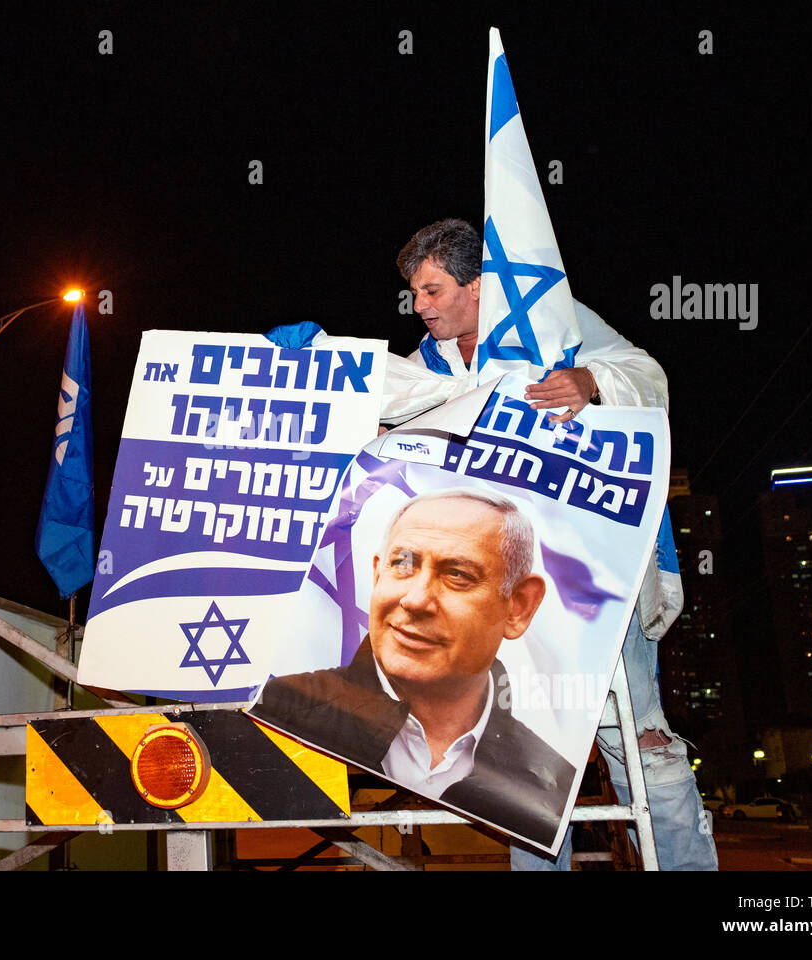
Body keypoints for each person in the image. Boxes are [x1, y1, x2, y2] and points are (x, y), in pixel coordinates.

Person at [392, 218, 717, 871]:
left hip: (595, 576)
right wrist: (310, 364)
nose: (418, 306)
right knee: (522, 749)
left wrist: (590, 382)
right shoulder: (424, 365)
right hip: (503, 592)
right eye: (415, 294)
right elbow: (370, 405)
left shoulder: (554, 320)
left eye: (431, 290)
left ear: (478, 286)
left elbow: (642, 371)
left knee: (640, 739)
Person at [250, 489, 576, 849]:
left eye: (457, 574)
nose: (416, 599)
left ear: (519, 606)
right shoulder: (275, 712)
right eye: (402, 564)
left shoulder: (551, 774)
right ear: (377, 575)